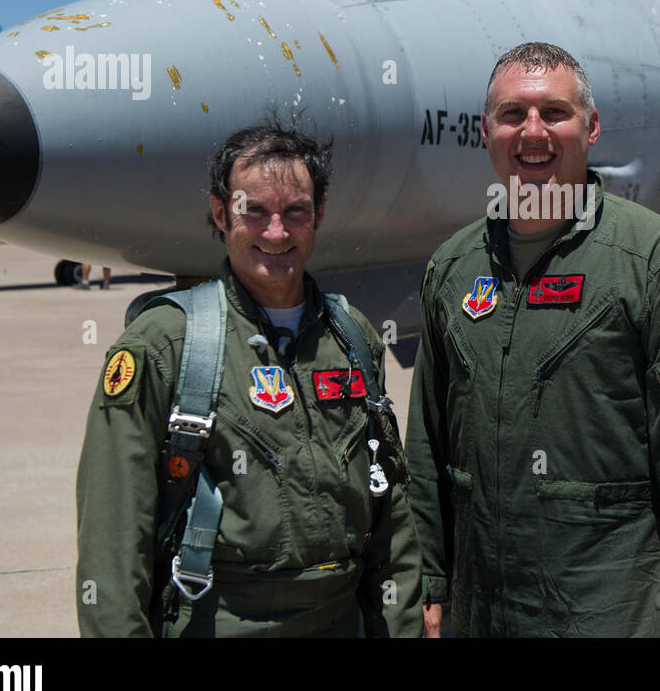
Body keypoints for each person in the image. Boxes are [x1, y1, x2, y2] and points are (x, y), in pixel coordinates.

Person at [405, 42, 660, 637]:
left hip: (608, 611)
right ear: (486, 130)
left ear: (591, 128)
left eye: (554, 113)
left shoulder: (654, 262)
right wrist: (429, 583)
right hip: (479, 609)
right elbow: (427, 444)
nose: (532, 132)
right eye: (513, 114)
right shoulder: (453, 268)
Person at [76, 119, 423, 637]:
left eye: (295, 213)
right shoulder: (167, 344)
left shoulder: (351, 338)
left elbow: (390, 516)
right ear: (221, 213)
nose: (276, 232)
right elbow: (113, 536)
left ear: (319, 214)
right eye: (253, 211)